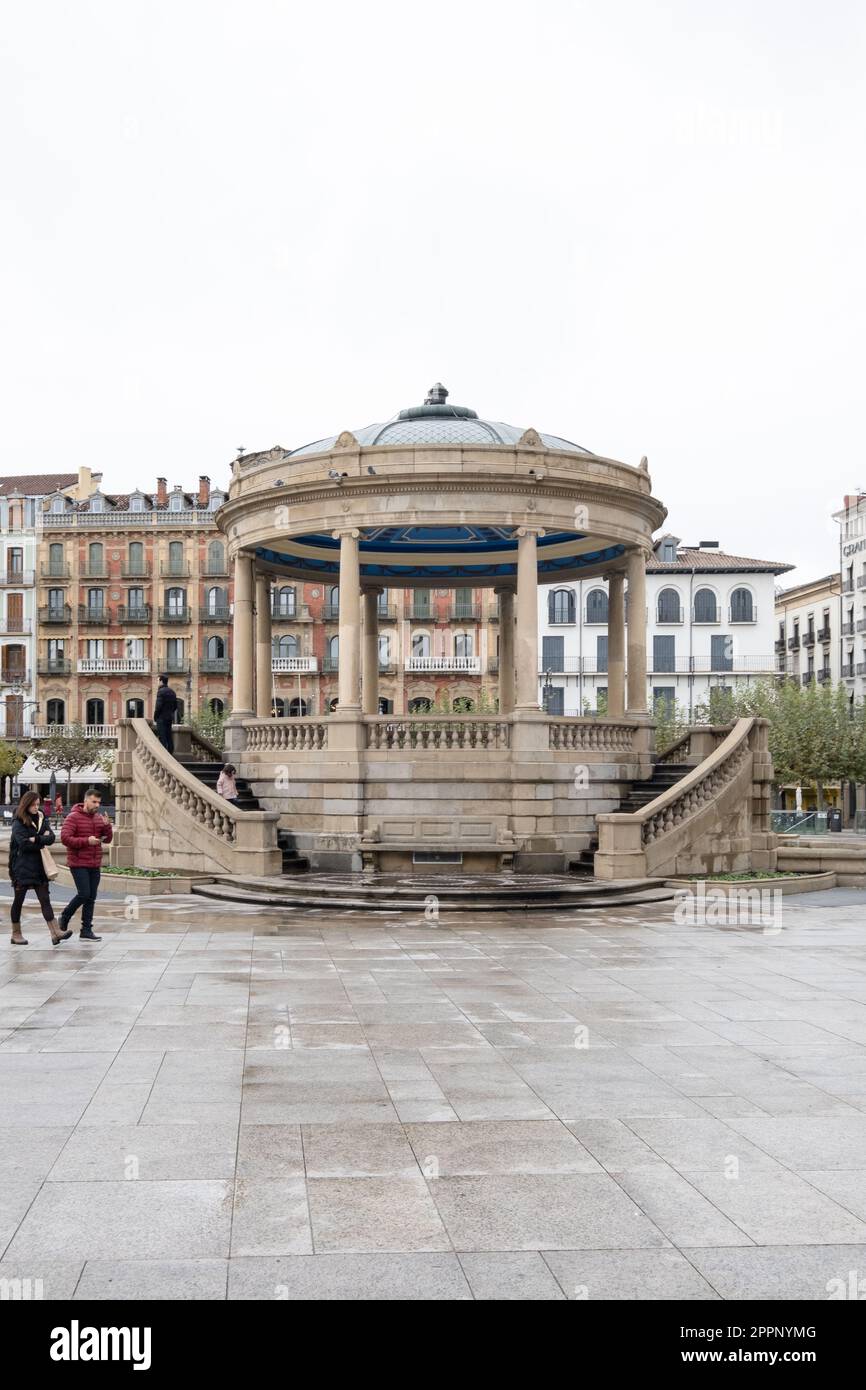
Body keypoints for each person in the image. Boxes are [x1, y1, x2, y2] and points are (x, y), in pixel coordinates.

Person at [8, 790, 72, 946]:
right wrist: (40, 839)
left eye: (38, 804)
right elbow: (23, 844)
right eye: (34, 805)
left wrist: (36, 838)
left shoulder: (42, 817)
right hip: (21, 866)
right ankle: (16, 933)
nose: (37, 807)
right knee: (19, 900)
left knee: (45, 899)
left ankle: (55, 932)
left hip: (39, 866)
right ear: (26, 804)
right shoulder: (18, 821)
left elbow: (51, 838)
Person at [59, 787, 113, 942]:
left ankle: (86, 930)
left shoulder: (98, 818)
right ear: (86, 800)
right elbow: (65, 838)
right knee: (84, 893)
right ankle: (65, 916)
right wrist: (86, 841)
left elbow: (108, 839)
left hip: (94, 862)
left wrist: (107, 826)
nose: (97, 805)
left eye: (99, 802)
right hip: (78, 862)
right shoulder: (73, 817)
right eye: (94, 801)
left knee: (91, 897)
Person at [154, 674, 178, 753]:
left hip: (161, 718)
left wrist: (156, 716)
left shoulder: (160, 692)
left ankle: (163, 755)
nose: (157, 682)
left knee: (162, 737)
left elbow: (158, 706)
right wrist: (170, 713)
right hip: (169, 717)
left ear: (161, 681)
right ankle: (171, 753)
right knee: (169, 737)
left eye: (158, 680)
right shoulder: (172, 692)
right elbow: (175, 706)